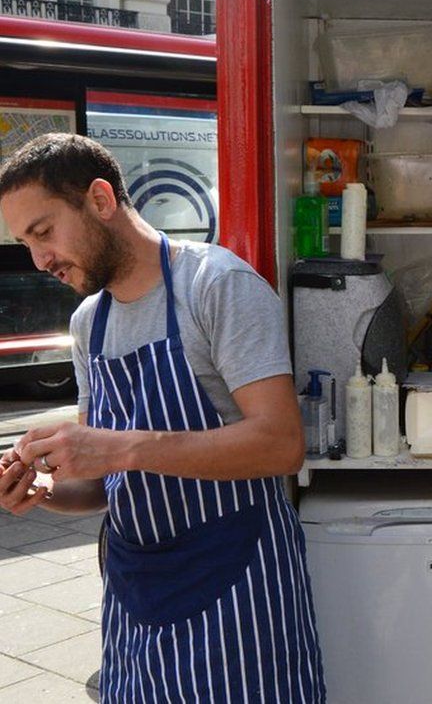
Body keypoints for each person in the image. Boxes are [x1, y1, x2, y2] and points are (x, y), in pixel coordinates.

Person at [0, 133, 326, 703]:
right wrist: (45, 489)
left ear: (100, 200)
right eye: (26, 243)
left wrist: (121, 448)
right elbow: (102, 484)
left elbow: (280, 444)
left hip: (239, 593)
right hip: (137, 597)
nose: (40, 260)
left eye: (44, 232)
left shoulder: (217, 286)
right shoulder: (87, 324)